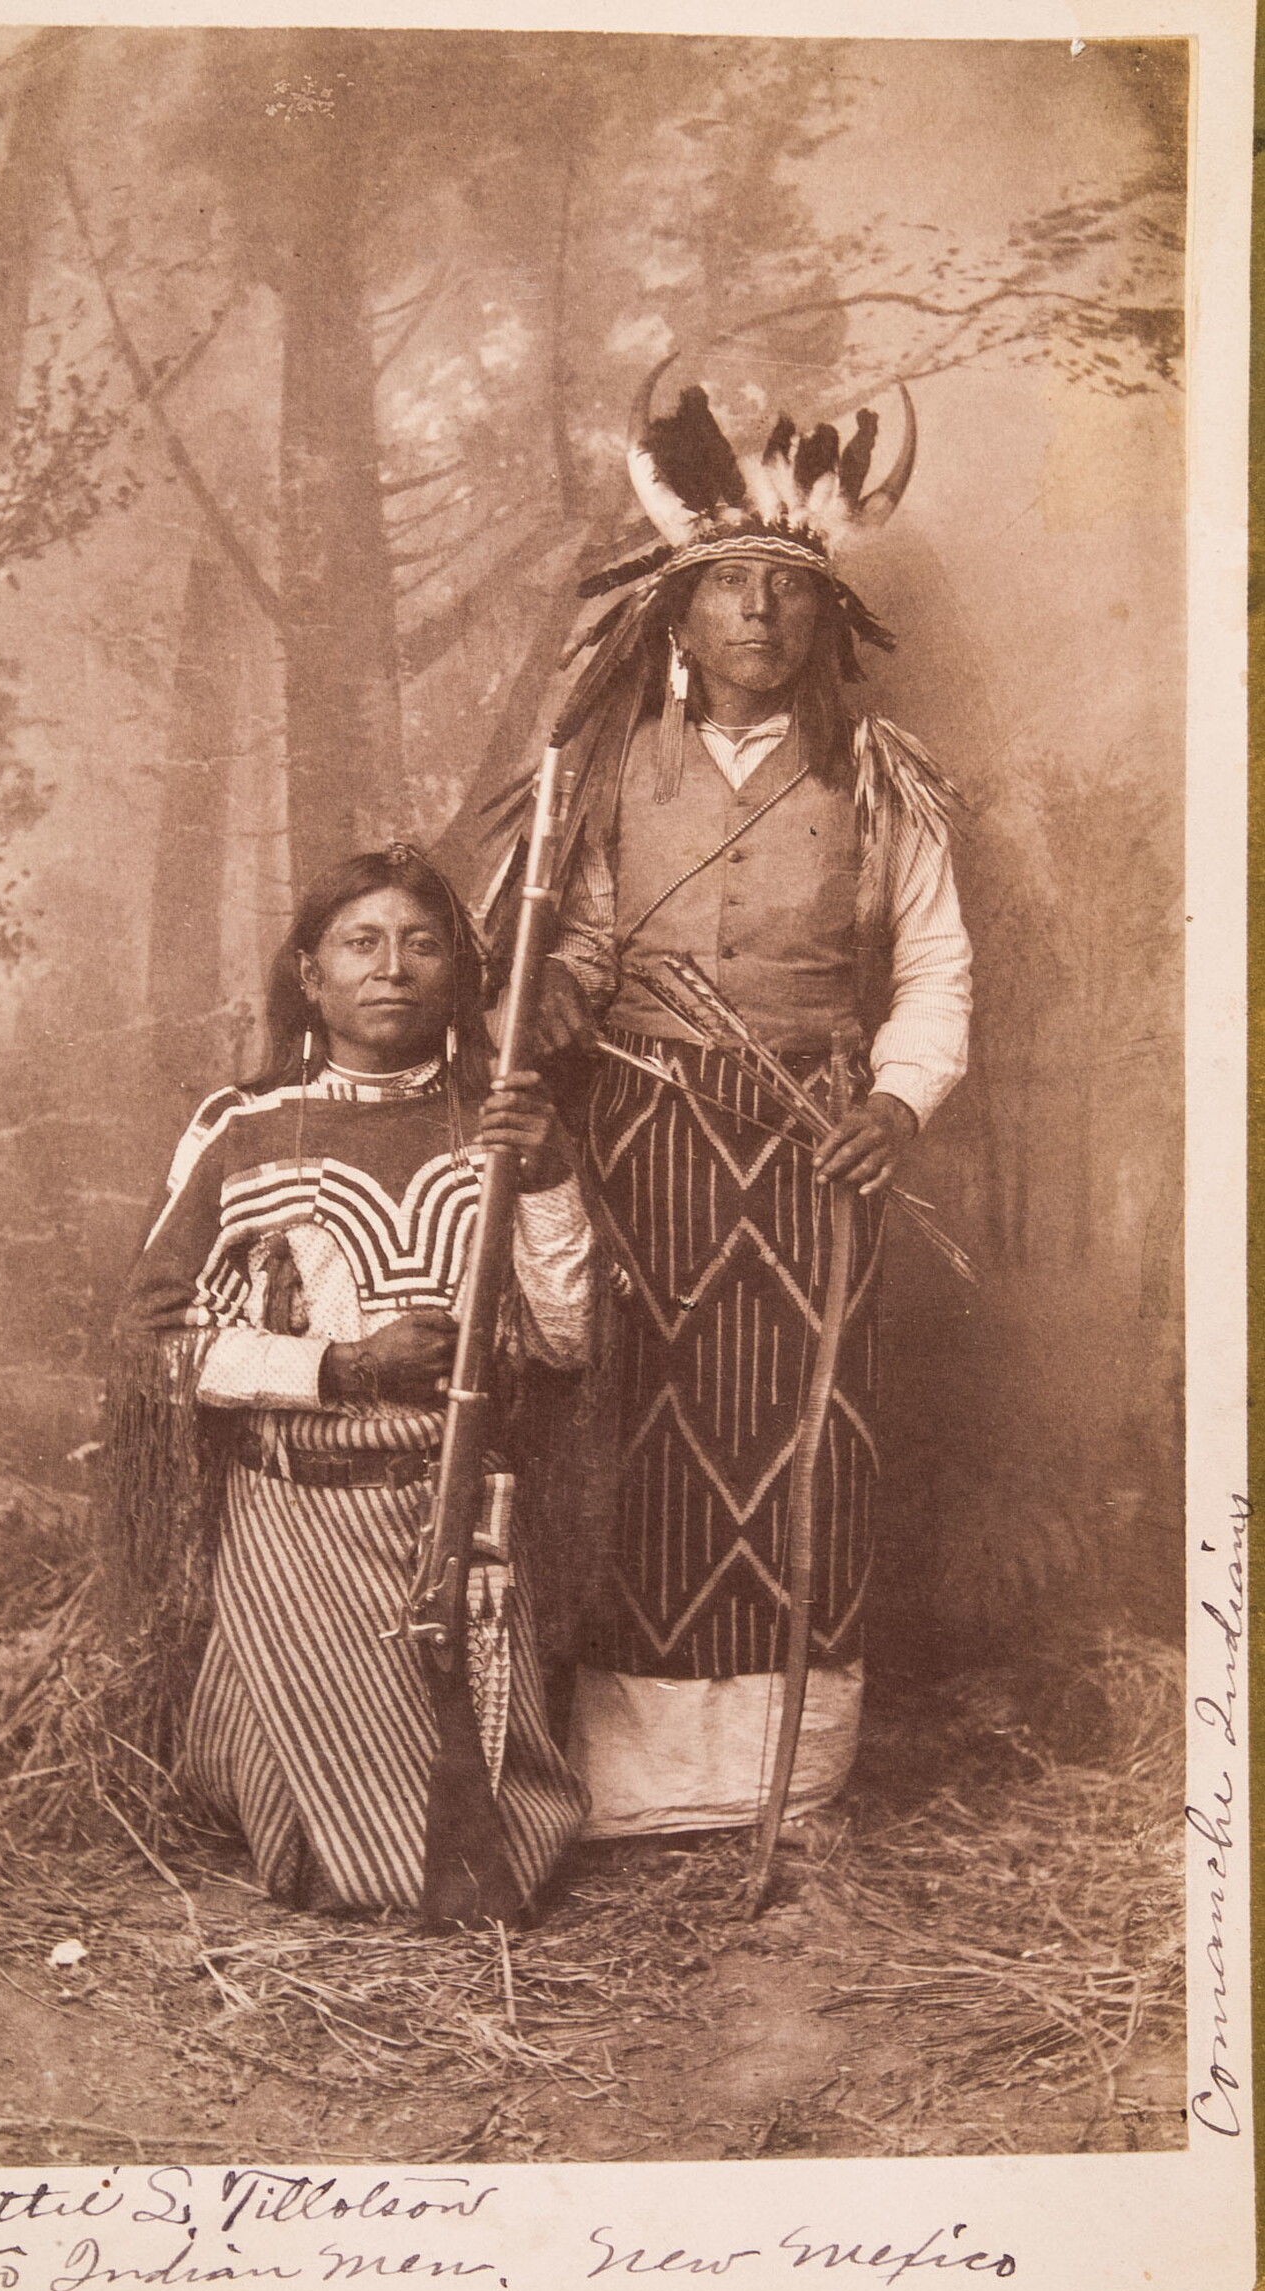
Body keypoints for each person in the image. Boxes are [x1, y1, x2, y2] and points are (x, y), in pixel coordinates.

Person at [529, 368, 972, 1840]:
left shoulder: (880, 783)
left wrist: (895, 1109)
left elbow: (935, 970)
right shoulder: (603, 773)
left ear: (827, 617)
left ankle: (791, 1777)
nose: (759, 618)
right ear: (679, 609)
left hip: (811, 1153)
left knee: (802, 1433)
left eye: (786, 594)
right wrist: (554, 1006)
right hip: (640, 1143)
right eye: (728, 588)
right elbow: (578, 942)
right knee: (640, 1430)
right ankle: (641, 1784)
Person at [113, 848, 592, 1912]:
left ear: (458, 978)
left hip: (460, 1524)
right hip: (298, 1523)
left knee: (489, 1857)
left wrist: (550, 1169)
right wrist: (338, 1365)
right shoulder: (242, 1130)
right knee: (328, 1861)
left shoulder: (501, 1128)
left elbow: (562, 1341)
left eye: (421, 943)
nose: (392, 967)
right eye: (360, 943)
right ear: (310, 973)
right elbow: (153, 1339)